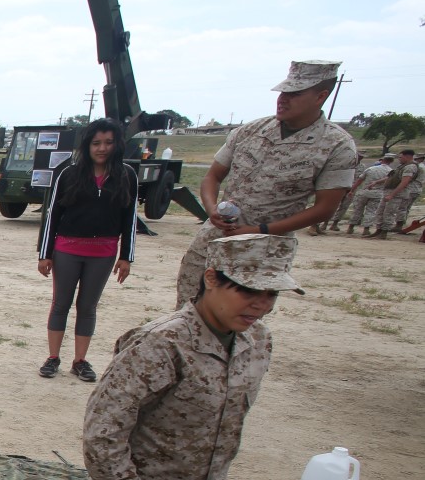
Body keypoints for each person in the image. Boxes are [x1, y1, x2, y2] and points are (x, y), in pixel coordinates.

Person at [0, 234, 301, 480]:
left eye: (272, 295)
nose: (261, 306)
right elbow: (103, 429)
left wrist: (217, 475)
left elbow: (227, 419)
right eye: (250, 291)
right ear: (212, 278)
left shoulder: (256, 341)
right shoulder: (160, 344)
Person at [172, 60, 355, 307]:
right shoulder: (250, 131)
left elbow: (325, 208)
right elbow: (213, 177)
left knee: (242, 314)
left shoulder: (336, 145)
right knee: (189, 306)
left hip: (265, 247)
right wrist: (211, 209)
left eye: (295, 94)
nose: (283, 99)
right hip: (215, 237)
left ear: (320, 96)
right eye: (283, 92)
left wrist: (260, 230)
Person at [34, 118, 137, 382]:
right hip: (67, 250)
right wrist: (44, 253)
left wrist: (126, 257)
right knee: (61, 304)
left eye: (108, 143)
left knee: (87, 306)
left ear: (117, 145)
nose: (102, 148)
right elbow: (53, 214)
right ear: (87, 145)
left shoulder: (127, 176)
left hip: (103, 253)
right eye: (96, 143)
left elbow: (130, 218)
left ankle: (80, 361)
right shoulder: (69, 174)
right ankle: (53, 357)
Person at [331, 153, 393, 234]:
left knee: (357, 210)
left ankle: (350, 227)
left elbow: (359, 181)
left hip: (364, 192)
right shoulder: (390, 171)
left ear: (382, 160)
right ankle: (366, 229)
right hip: (378, 193)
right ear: (391, 161)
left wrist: (352, 190)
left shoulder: (371, 169)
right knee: (371, 211)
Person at [376, 150, 420, 239]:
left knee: (389, 213)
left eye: (400, 157)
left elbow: (404, 182)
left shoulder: (410, 167)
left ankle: (384, 232)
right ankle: (379, 230)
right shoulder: (403, 166)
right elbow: (391, 177)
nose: (399, 159)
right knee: (381, 212)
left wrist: (392, 195)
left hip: (397, 194)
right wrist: (376, 182)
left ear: (407, 156)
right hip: (390, 191)